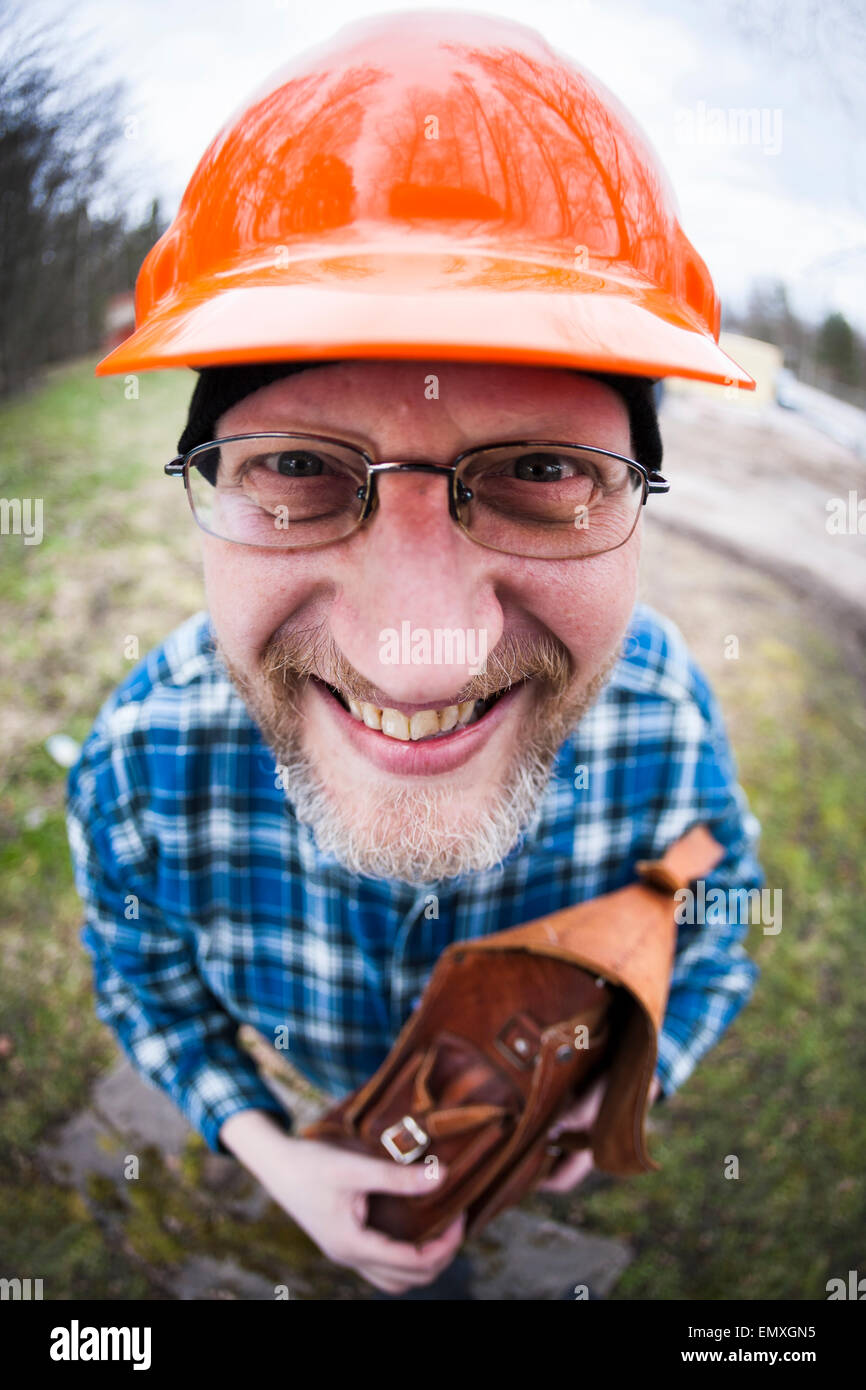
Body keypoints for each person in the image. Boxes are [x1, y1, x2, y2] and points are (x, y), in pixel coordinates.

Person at [66, 10, 762, 1298]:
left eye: (544, 472)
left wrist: (625, 1082)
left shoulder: (666, 714)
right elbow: (145, 979)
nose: (418, 656)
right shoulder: (137, 762)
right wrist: (269, 1149)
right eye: (297, 471)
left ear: (642, 501)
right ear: (205, 482)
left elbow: (718, 911)